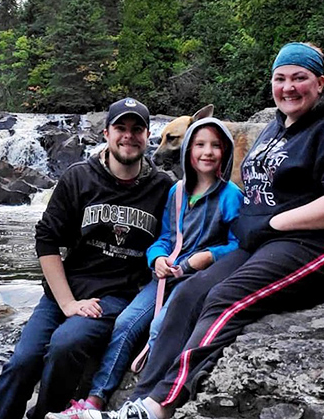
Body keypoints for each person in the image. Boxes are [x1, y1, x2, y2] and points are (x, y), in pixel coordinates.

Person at [81, 42, 324, 419]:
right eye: (280, 78)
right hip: (268, 242)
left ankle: (160, 406)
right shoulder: (277, 128)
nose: (288, 87)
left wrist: (273, 223)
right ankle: (137, 402)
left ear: (320, 83)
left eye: (299, 78)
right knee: (189, 292)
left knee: (226, 297)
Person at [0, 97, 173, 419]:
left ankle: (45, 414)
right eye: (121, 128)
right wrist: (68, 303)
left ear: (147, 135)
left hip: (117, 297)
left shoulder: (162, 187)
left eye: (137, 129)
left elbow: (178, 235)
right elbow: (46, 239)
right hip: (65, 290)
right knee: (22, 361)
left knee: (65, 345)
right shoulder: (79, 178)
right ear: (106, 133)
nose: (129, 136)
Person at [46, 117, 243, 419]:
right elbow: (163, 237)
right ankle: (96, 399)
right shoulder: (176, 192)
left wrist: (208, 256)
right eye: (200, 145)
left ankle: (142, 400)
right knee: (126, 323)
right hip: (165, 277)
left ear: (226, 152)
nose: (208, 152)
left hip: (198, 279)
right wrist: (157, 259)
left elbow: (238, 243)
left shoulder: (231, 196)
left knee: (159, 327)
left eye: (216, 146)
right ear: (188, 151)